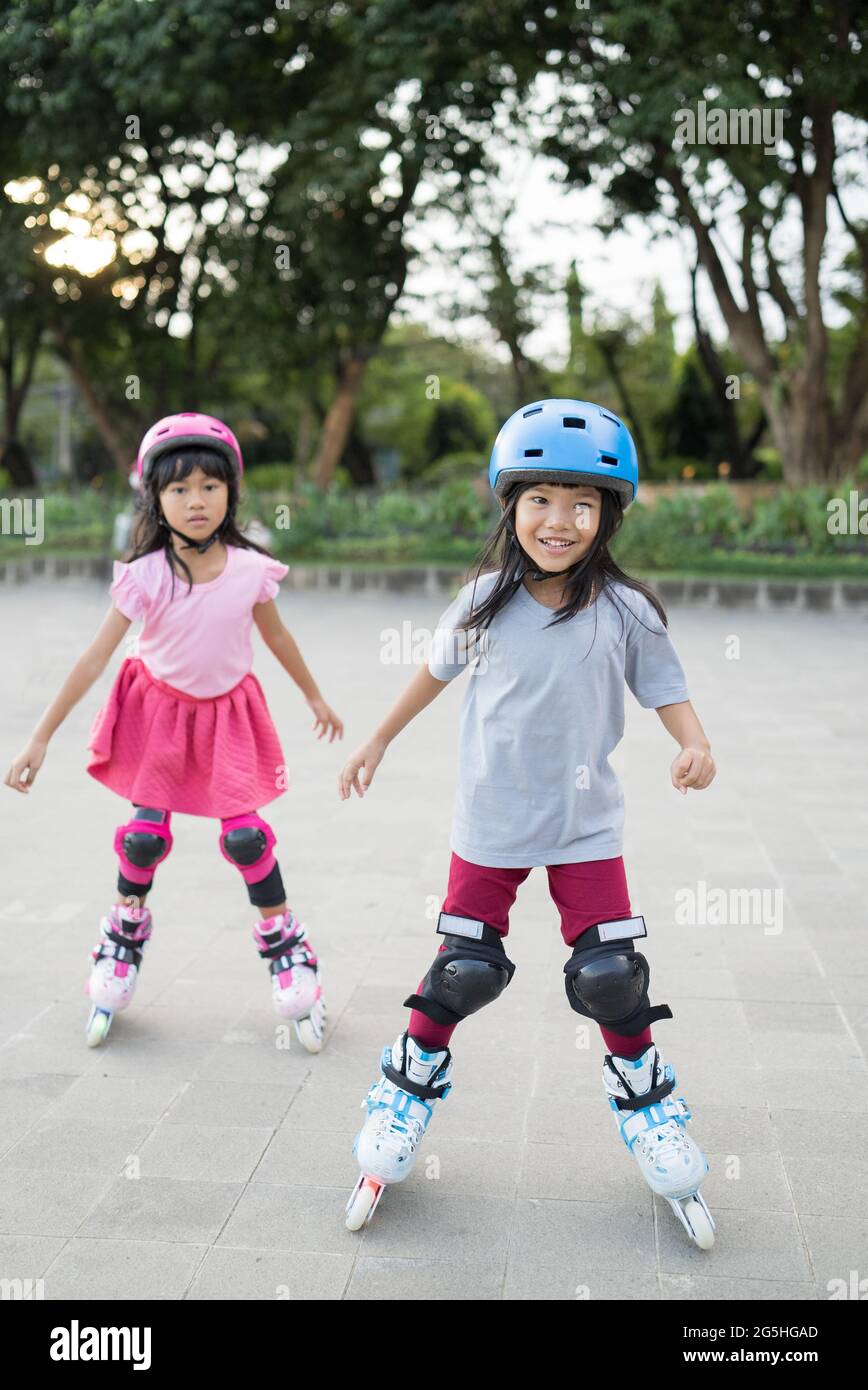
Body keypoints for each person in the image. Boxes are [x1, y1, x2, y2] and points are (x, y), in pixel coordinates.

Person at [338, 398, 718, 1246]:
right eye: (541, 498)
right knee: (461, 971)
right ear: (510, 503)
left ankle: (652, 1111)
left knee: (613, 976)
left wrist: (695, 744)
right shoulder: (483, 601)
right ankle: (401, 1094)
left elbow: (667, 691)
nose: (560, 519)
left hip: (588, 829)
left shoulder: (628, 611)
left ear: (608, 515)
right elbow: (429, 678)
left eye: (583, 502)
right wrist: (375, 742)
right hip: (492, 825)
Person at [5, 412, 342, 1053]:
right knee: (142, 837)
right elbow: (95, 657)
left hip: (226, 715)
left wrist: (315, 696)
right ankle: (123, 936)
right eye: (179, 489)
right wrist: (40, 737)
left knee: (246, 837)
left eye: (210, 487)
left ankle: (288, 946)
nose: (196, 501)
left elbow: (276, 637)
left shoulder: (249, 568)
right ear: (155, 499)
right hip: (157, 713)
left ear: (230, 494)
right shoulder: (147, 574)